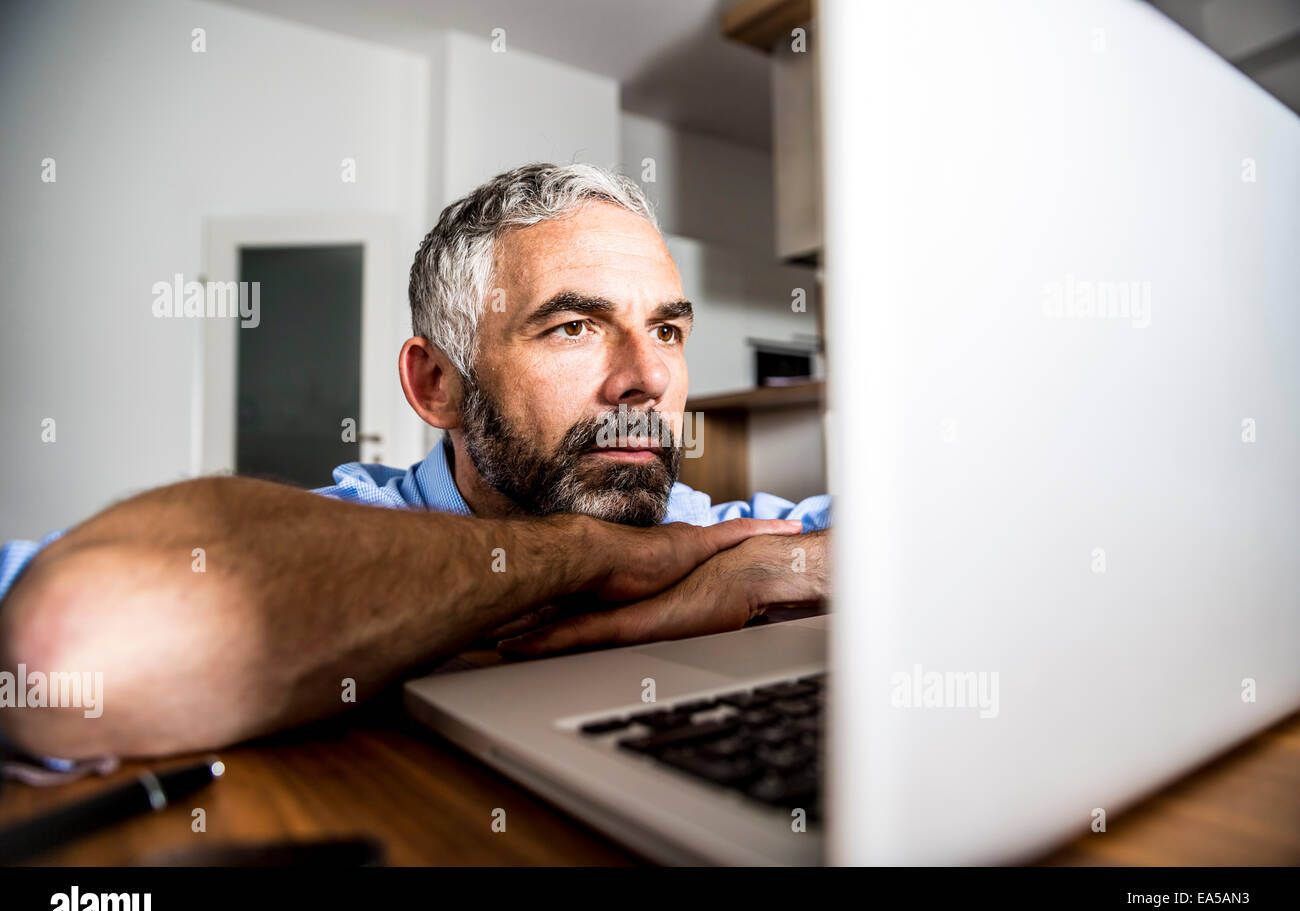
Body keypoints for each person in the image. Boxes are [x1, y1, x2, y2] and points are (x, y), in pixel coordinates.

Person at [0, 163, 830, 761]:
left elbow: (944, 547)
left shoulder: (718, 535)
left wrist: (760, 574)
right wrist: (584, 555)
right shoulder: (356, 527)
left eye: (669, 331)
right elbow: (67, 643)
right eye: (573, 326)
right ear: (437, 384)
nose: (648, 379)